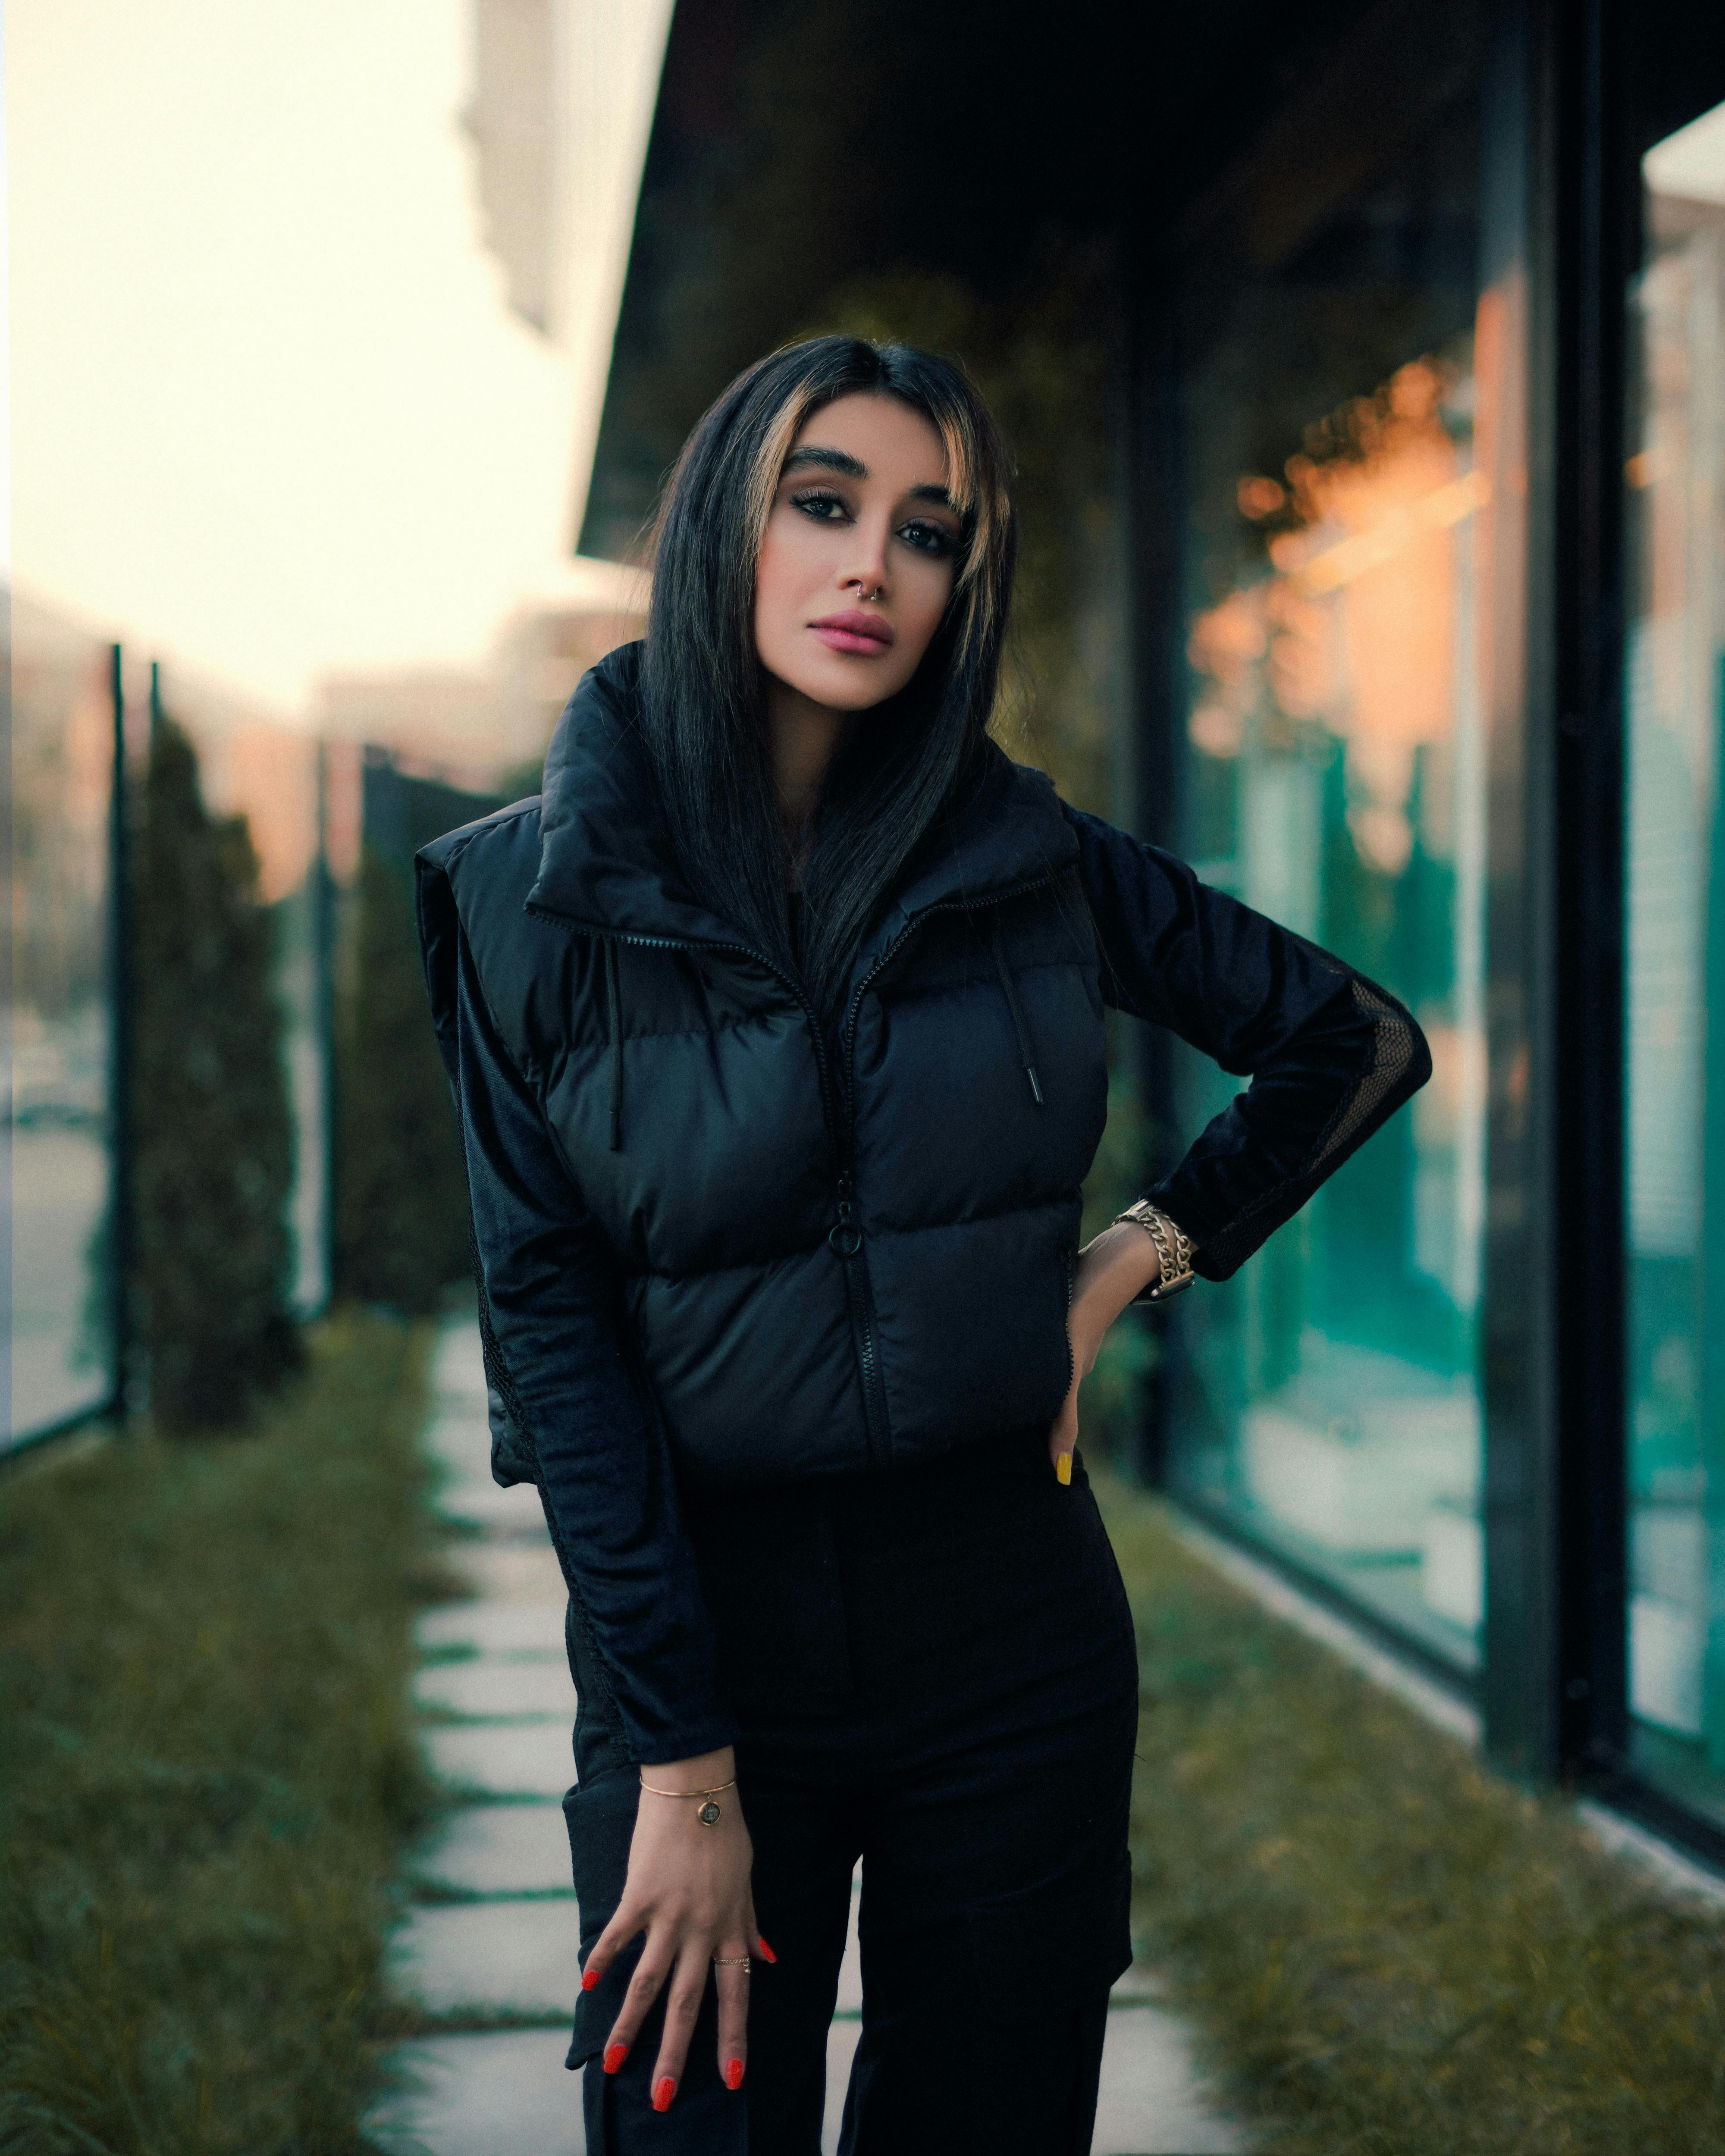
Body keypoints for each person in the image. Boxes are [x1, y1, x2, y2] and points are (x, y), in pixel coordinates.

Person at [417, 335, 1430, 2155]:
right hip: (707, 1636)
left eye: (927, 528)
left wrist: (1129, 1260)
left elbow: (1350, 1039)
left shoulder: (1027, 856)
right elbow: (550, 1329)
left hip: (1011, 1623)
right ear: (726, 520)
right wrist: (681, 1761)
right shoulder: (525, 896)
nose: (870, 562)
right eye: (823, 504)